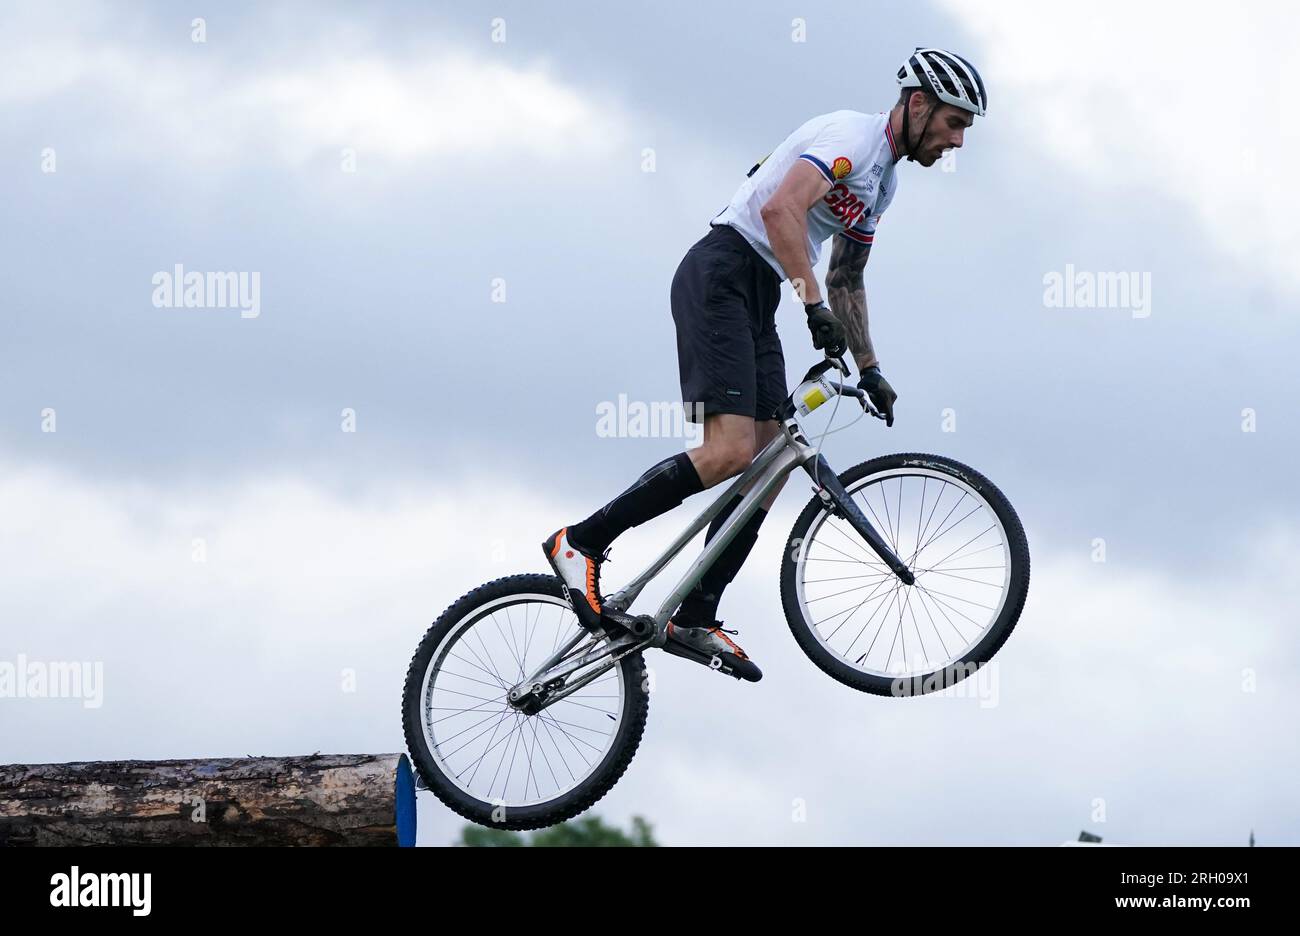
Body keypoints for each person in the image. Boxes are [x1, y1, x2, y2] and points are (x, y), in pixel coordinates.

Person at [544, 48, 987, 675]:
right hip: (722, 271)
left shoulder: (883, 181)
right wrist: (811, 307)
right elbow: (780, 210)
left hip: (759, 289)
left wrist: (869, 368)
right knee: (729, 451)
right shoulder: (851, 139)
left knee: (773, 459)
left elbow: (848, 276)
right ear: (917, 104)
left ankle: (695, 616)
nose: (958, 140)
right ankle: (582, 541)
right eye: (953, 122)